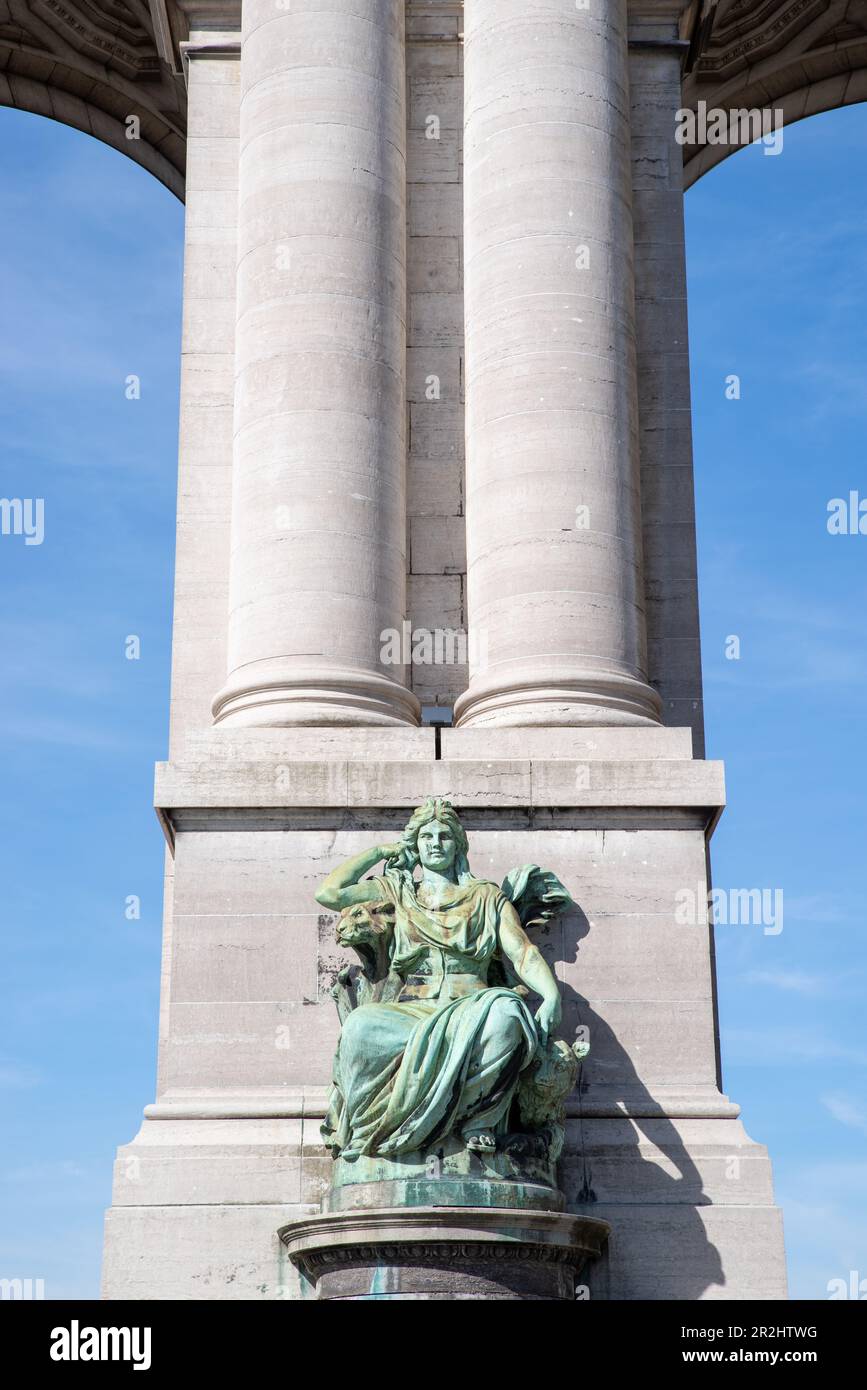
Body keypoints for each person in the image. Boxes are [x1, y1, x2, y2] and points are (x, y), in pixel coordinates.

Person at [315, 798, 562, 1159]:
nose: (434, 843)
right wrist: (381, 851)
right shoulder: (397, 892)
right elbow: (329, 893)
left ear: (459, 845)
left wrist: (551, 995)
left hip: (474, 1004)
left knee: (508, 1015)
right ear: (414, 845)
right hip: (413, 1007)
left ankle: (478, 1120)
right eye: (426, 837)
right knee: (360, 1027)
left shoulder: (486, 897)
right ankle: (369, 1131)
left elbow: (521, 951)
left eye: (444, 836)